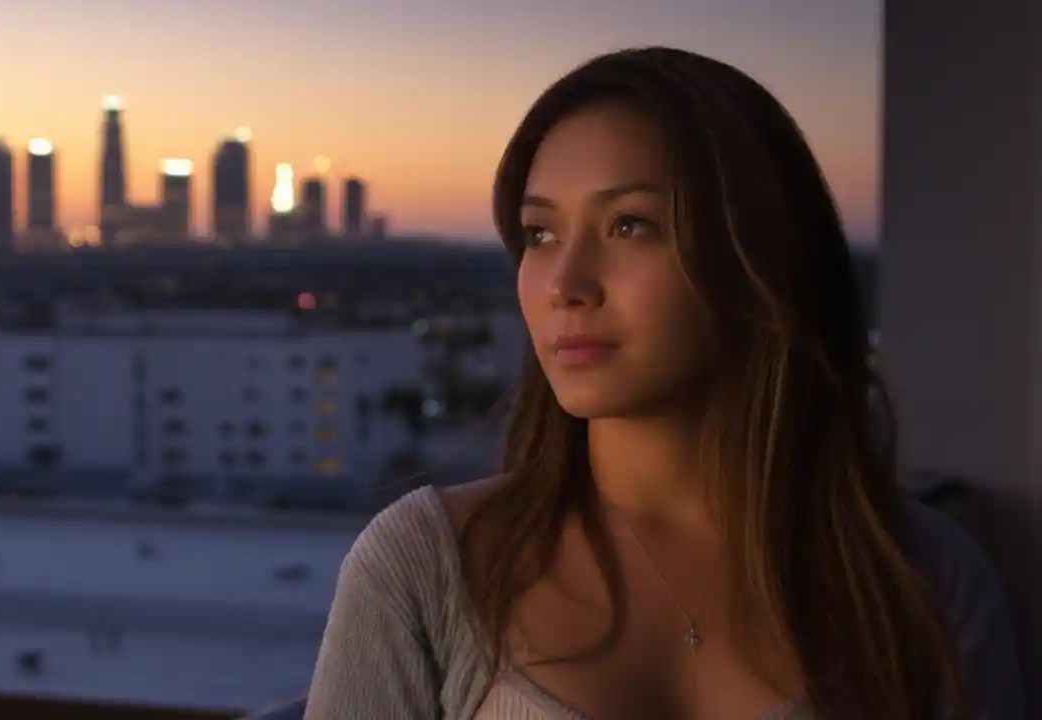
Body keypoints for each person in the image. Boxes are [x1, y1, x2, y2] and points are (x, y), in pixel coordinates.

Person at [302, 47, 1026, 719]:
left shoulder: (923, 579)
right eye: (540, 234)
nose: (566, 283)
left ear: (757, 256)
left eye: (630, 226)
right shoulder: (425, 567)